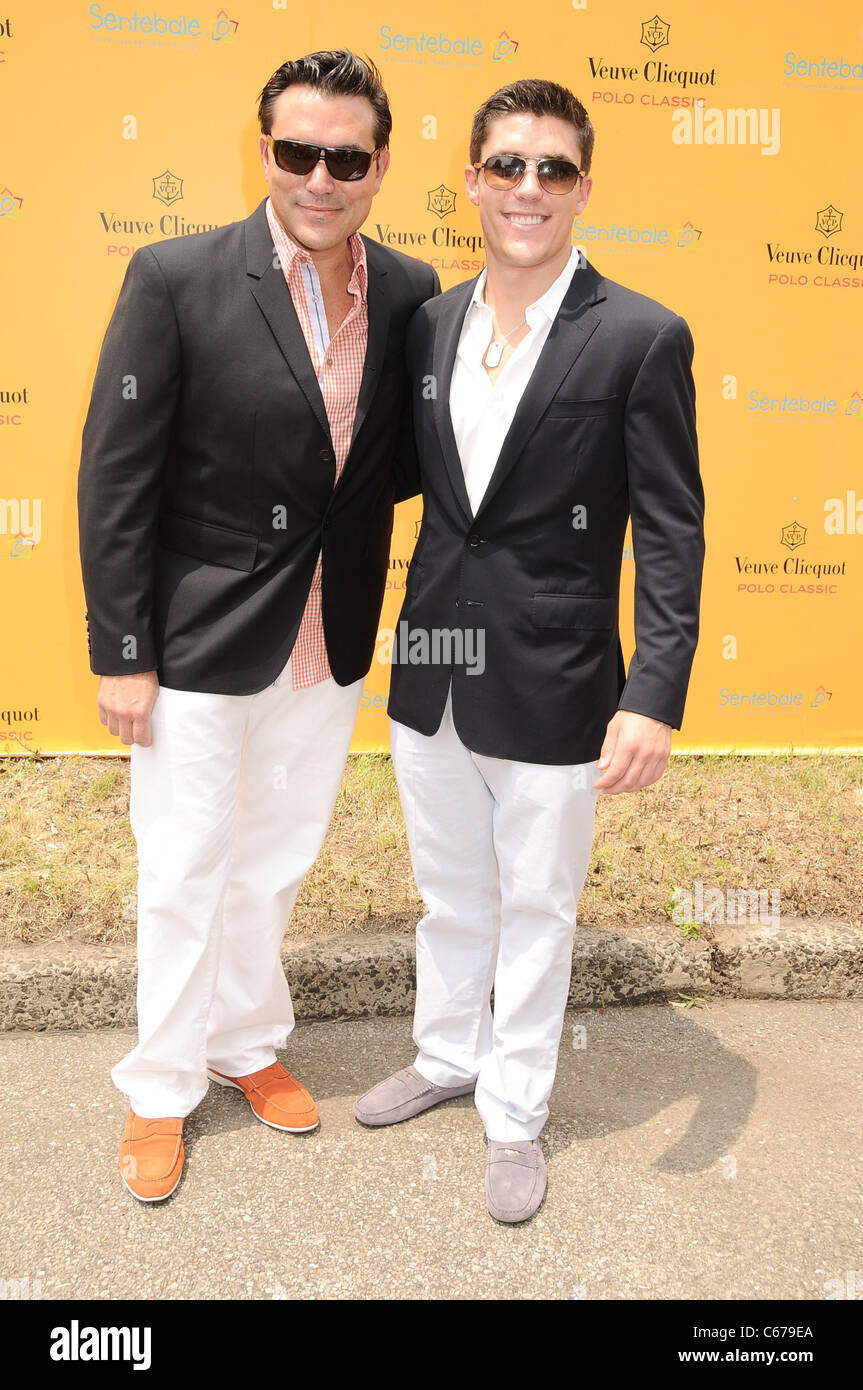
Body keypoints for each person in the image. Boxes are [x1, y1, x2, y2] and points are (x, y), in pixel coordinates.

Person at [78, 49, 438, 1203]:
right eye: (297, 151)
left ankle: (241, 1040)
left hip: (326, 635)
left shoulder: (411, 290)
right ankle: (159, 1085)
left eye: (345, 156)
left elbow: (385, 466)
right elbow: (116, 480)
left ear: (377, 166)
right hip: (193, 641)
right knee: (183, 864)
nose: (319, 176)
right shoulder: (177, 276)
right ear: (264, 150)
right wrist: (122, 654)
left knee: (276, 855)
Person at [354, 79, 705, 1224]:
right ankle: (446, 1054)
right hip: (432, 666)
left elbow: (669, 528)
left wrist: (652, 689)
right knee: (449, 891)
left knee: (536, 906)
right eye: (506, 165)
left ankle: (514, 1111)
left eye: (553, 169)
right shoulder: (431, 324)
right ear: (471, 180)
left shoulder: (640, 334)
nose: (527, 189)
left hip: (558, 682)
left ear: (583, 189)